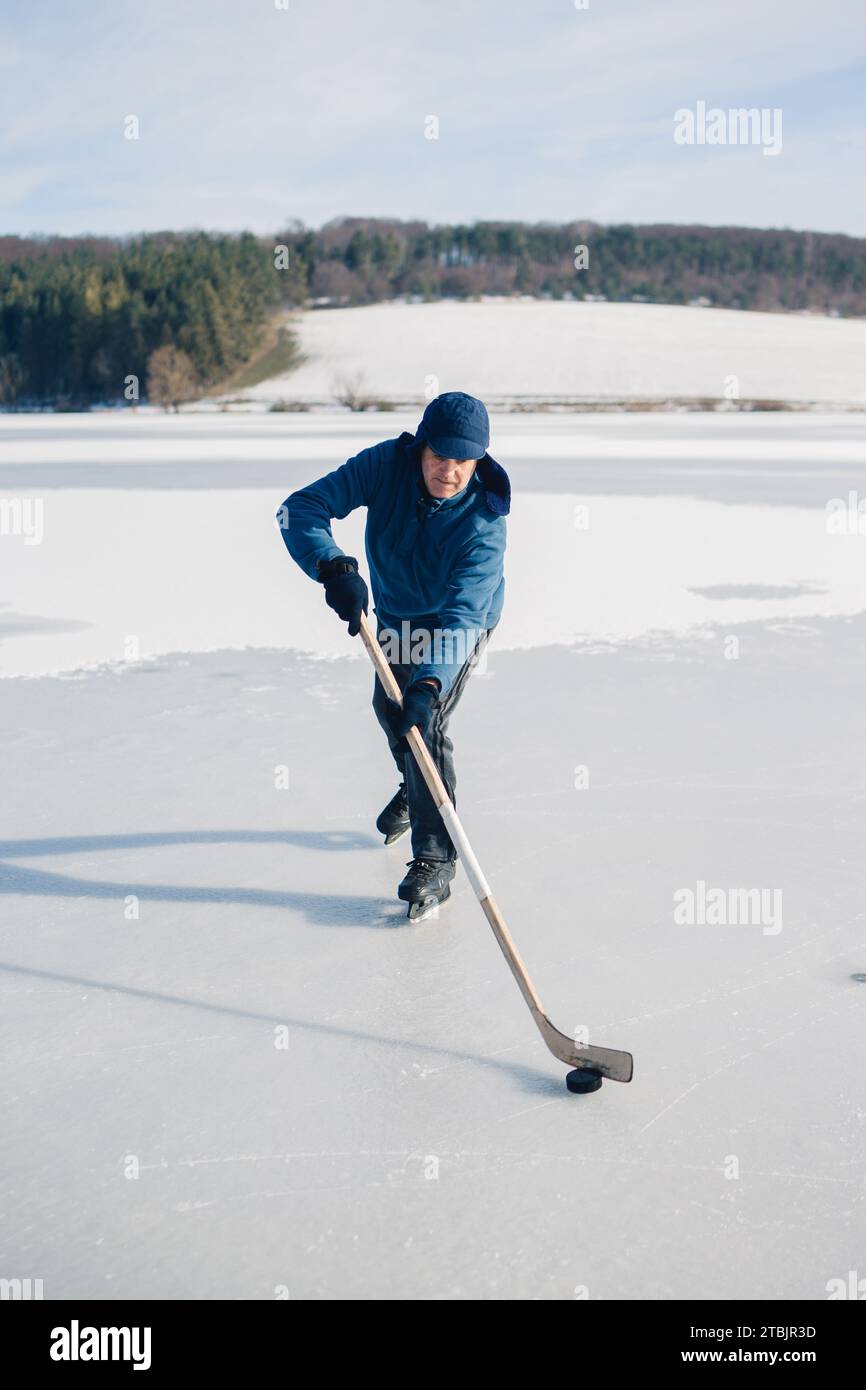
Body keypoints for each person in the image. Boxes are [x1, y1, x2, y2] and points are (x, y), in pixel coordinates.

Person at [277, 391, 509, 914]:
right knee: (388, 710)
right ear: (420, 447)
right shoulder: (386, 464)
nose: (447, 472)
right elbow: (299, 510)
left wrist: (429, 684)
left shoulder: (485, 524)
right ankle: (417, 784)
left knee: (420, 724)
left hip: (456, 624)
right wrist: (332, 567)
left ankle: (435, 859)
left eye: (462, 462)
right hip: (396, 613)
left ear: (479, 461)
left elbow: (464, 619)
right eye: (438, 457)